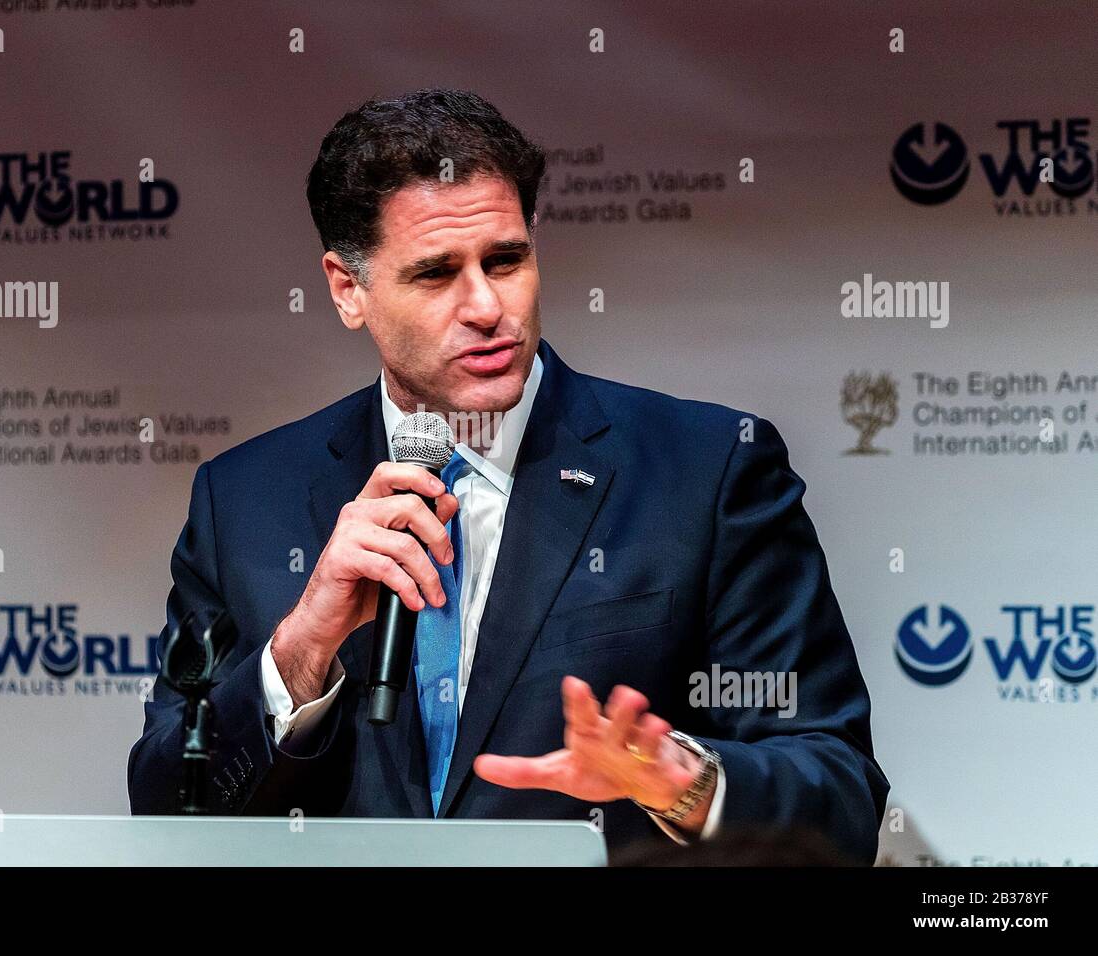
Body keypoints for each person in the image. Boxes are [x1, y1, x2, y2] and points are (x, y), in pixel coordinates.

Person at [128, 88, 889, 861]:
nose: (487, 306)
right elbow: (167, 810)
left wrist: (682, 781)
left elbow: (843, 797)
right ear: (347, 289)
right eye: (435, 274)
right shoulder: (245, 502)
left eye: (506, 260)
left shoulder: (708, 471)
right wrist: (296, 658)